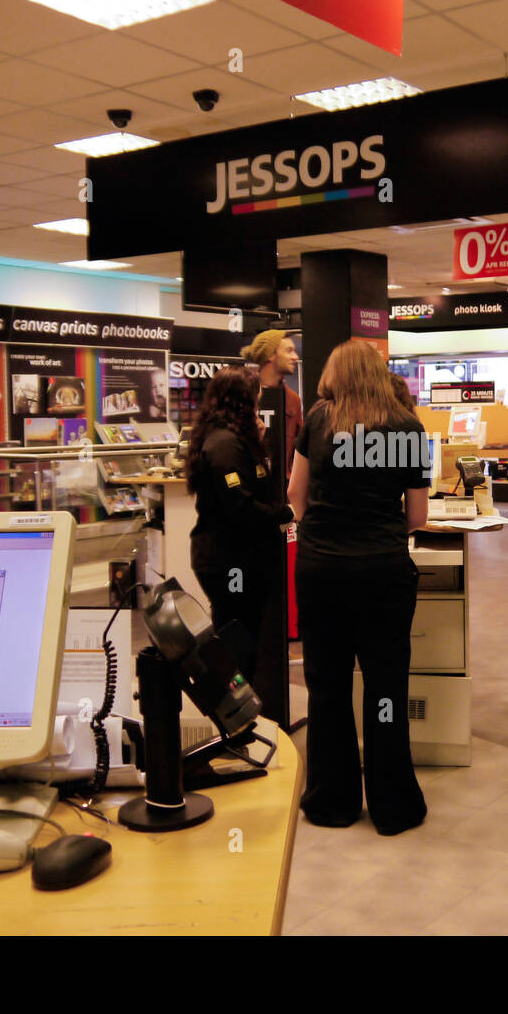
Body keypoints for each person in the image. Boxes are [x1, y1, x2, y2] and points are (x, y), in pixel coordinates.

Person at [288, 341, 429, 836]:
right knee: (386, 687)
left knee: (327, 687)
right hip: (384, 572)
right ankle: (393, 806)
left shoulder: (318, 421)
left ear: (335, 374)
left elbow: (294, 495)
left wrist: (325, 534)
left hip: (322, 572)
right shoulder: (408, 427)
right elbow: (417, 515)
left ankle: (332, 801)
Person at [186, 367, 293, 681]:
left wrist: (257, 445)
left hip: (238, 559)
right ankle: (234, 721)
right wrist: (285, 514)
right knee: (236, 650)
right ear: (242, 403)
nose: (259, 410)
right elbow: (241, 508)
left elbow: (256, 489)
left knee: (242, 645)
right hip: (229, 562)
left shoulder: (235, 440)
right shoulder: (224, 445)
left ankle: (240, 720)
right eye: (256, 402)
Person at [242, 329, 302, 481]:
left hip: (282, 489)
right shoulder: (242, 395)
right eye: (289, 351)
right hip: (248, 487)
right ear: (270, 355)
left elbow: (298, 452)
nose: (295, 357)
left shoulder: (293, 400)